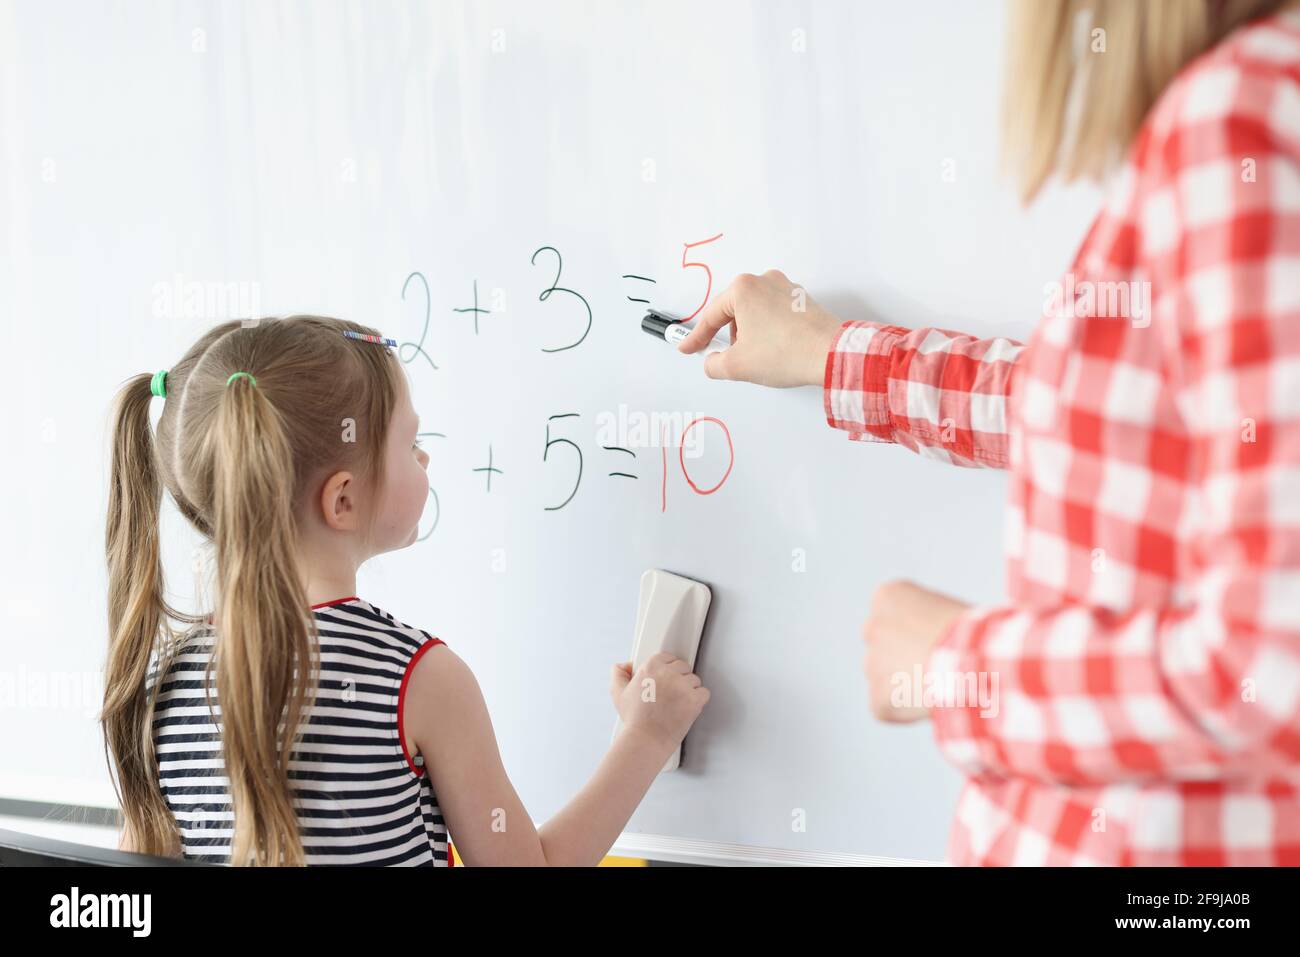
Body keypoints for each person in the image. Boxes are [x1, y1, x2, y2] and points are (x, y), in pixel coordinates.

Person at [678, 0, 1300, 865]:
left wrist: (955, 661)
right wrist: (835, 356)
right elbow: (1113, 415)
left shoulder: (1244, 121)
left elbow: (1270, 662)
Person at [103, 315, 709, 865]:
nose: (424, 457)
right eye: (407, 442)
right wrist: (647, 737)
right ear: (342, 499)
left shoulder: (161, 682)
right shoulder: (416, 678)